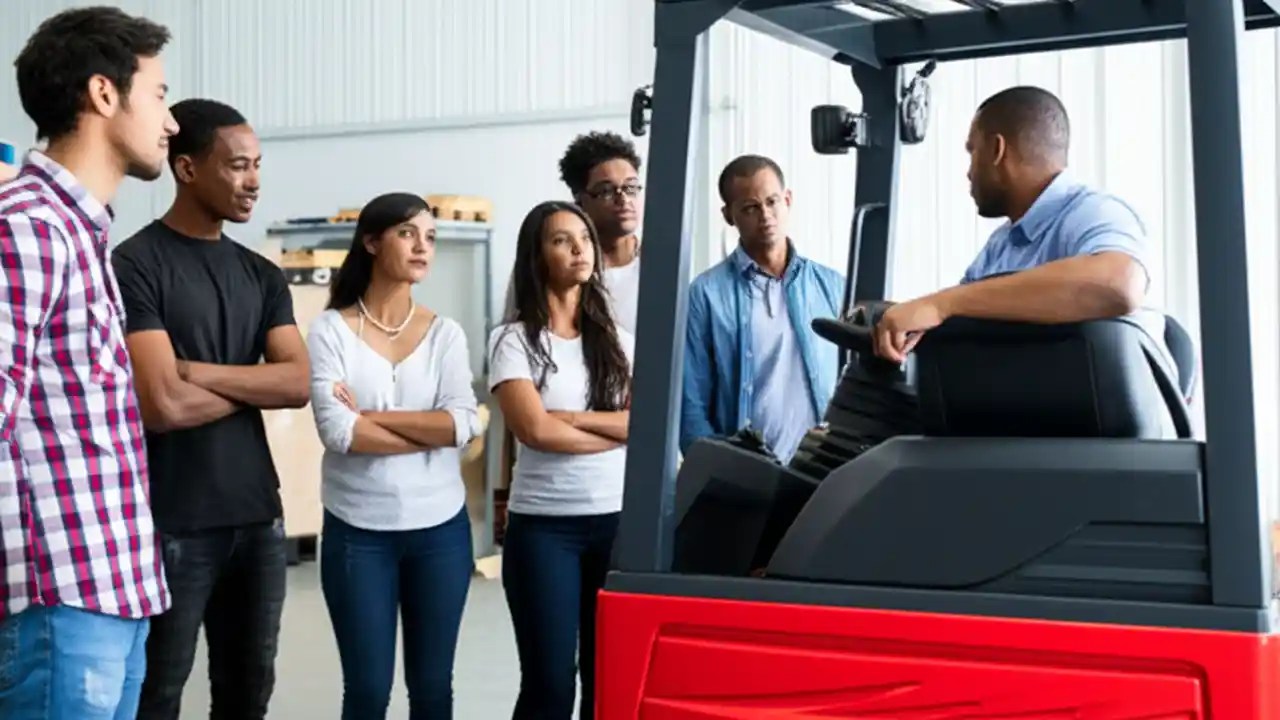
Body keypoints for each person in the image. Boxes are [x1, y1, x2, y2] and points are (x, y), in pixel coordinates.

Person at [0, 8, 178, 719]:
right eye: (160, 96)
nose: (170, 122)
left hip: (111, 587)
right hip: (59, 599)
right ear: (105, 94)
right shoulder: (28, 228)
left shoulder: (82, 233)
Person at [111, 98, 309, 720]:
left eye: (257, 166)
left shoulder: (261, 274)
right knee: (158, 694)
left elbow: (298, 382)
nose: (253, 181)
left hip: (258, 518)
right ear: (188, 168)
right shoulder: (134, 264)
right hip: (171, 521)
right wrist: (254, 380)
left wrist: (199, 370)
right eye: (238, 166)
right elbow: (162, 403)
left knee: (248, 693)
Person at [307, 192, 482, 720]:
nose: (422, 246)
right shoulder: (330, 330)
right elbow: (338, 433)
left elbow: (463, 423)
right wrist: (431, 432)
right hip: (358, 533)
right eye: (408, 233)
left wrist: (375, 419)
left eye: (430, 237)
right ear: (370, 241)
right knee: (366, 692)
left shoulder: (445, 333)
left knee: (433, 691)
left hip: (441, 532)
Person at [872, 86, 1159, 363]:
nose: (969, 172)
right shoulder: (1000, 247)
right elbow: (958, 326)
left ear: (997, 150)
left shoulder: (1094, 212)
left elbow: (1120, 284)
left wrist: (940, 304)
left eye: (972, 151)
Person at [489, 201, 635, 720]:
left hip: (617, 525)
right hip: (545, 531)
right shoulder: (513, 341)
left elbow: (642, 427)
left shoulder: (619, 342)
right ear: (537, 255)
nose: (579, 249)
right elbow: (534, 431)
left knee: (608, 680)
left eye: (585, 239)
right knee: (550, 683)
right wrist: (609, 427)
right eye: (561, 240)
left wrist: (572, 419)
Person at [680, 155, 844, 464]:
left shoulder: (833, 286)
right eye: (750, 208)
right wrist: (712, 468)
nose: (766, 215)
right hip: (747, 473)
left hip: (826, 469)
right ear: (729, 215)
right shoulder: (706, 293)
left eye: (772, 202)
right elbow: (691, 399)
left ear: (788, 200)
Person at [503, 131, 645, 334]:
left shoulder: (660, 267)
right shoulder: (555, 265)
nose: (623, 200)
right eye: (606, 191)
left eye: (630, 188)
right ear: (580, 200)